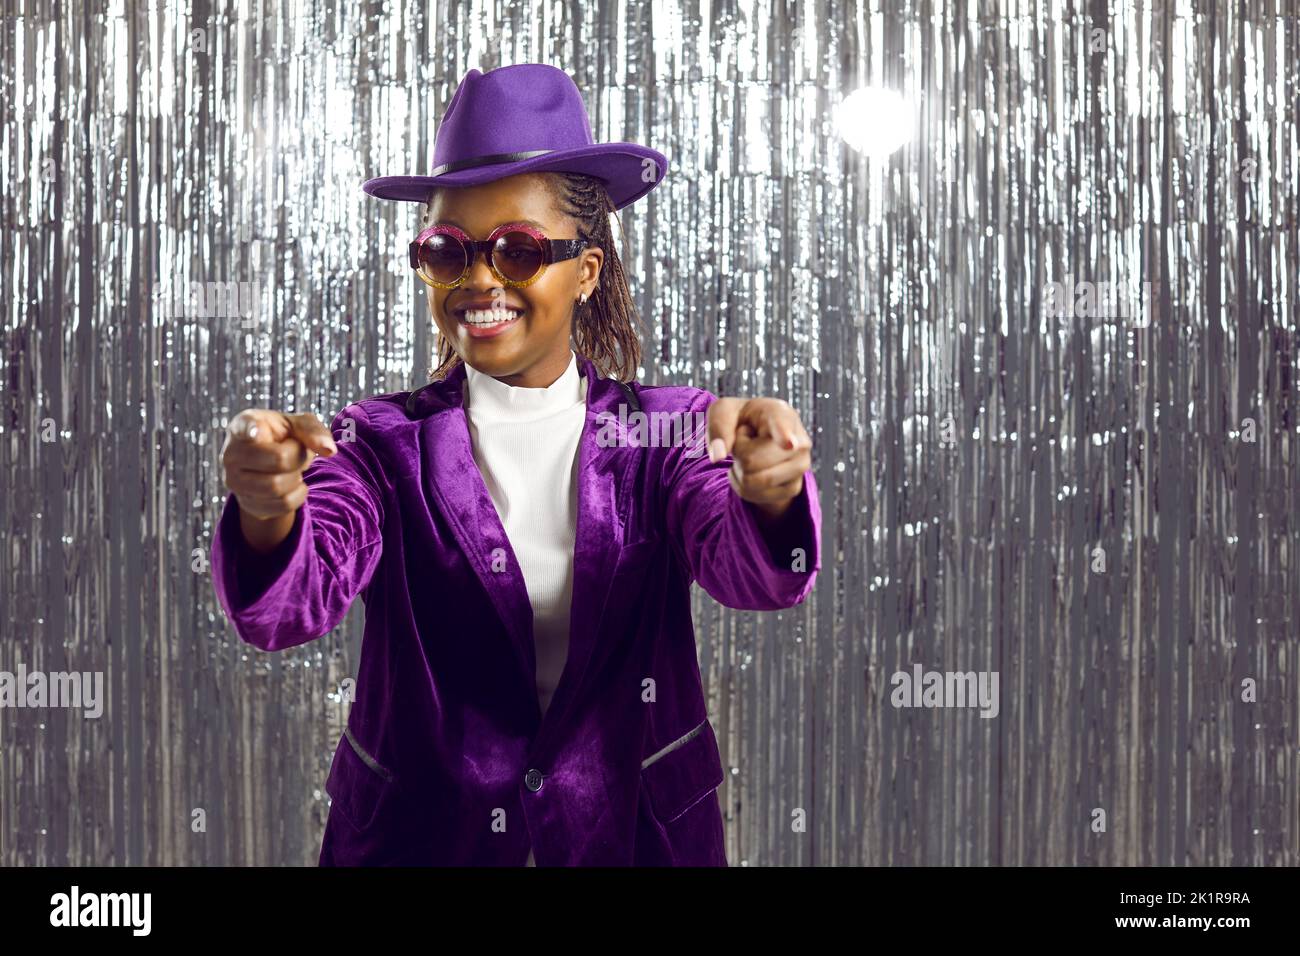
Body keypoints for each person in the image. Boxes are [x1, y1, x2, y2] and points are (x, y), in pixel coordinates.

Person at [211, 63, 822, 866]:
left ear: (587, 271)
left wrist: (769, 496)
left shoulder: (666, 434)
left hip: (634, 841)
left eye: (519, 250)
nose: (480, 280)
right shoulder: (380, 443)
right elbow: (288, 608)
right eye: (446, 250)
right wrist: (269, 512)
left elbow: (755, 574)